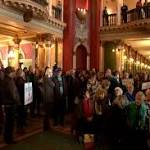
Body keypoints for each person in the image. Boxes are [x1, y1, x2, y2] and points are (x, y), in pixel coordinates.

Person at [3, 67, 20, 144]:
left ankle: (6, 137)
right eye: (13, 72)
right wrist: (17, 101)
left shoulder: (4, 80)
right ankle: (9, 139)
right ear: (10, 73)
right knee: (10, 123)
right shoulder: (10, 81)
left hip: (6, 104)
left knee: (7, 122)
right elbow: (13, 94)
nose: (14, 73)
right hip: (11, 104)